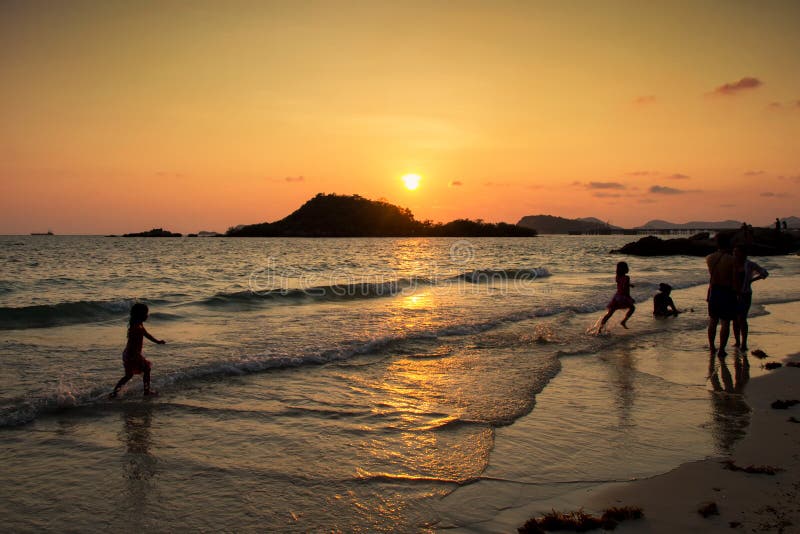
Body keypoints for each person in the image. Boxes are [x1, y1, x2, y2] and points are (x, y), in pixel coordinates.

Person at [110, 303, 165, 398]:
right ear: (140, 315)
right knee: (146, 369)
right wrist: (135, 355)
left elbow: (147, 334)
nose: (147, 315)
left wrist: (157, 341)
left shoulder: (139, 324)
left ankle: (114, 393)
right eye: (146, 313)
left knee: (129, 375)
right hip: (132, 353)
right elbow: (132, 343)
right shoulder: (135, 328)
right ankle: (146, 391)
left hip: (128, 353)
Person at [732, 245, 768, 351]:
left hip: (745, 294)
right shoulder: (732, 263)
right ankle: (737, 341)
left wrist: (752, 280)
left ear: (743, 253)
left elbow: (764, 273)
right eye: (734, 252)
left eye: (736, 252)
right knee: (734, 319)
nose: (734, 254)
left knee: (742, 319)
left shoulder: (750, 264)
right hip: (733, 294)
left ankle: (744, 343)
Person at [706, 233, 736, 357]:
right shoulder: (731, 259)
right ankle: (722, 349)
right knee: (725, 322)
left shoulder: (709, 258)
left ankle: (712, 347)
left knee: (713, 320)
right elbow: (735, 278)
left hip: (713, 291)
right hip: (726, 291)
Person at [600, 261, 636, 330]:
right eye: (627, 267)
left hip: (617, 297)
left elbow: (622, 284)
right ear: (625, 269)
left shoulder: (617, 277)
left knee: (609, 314)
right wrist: (629, 297)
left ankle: (600, 328)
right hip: (623, 296)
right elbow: (625, 288)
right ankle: (623, 321)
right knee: (632, 308)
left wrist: (629, 285)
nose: (628, 268)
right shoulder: (627, 277)